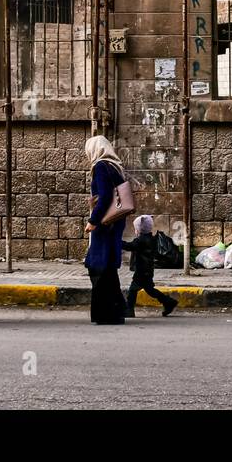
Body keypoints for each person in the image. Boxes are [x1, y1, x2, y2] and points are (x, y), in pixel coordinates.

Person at [84, 135, 128, 325]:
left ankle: (106, 313)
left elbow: (104, 197)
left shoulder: (101, 166)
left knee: (98, 266)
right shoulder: (115, 166)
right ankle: (116, 312)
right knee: (109, 268)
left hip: (104, 223)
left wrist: (93, 221)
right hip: (115, 222)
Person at [121, 215, 177, 318]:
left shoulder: (141, 240)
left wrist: (118, 242)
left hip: (142, 270)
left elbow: (129, 246)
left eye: (135, 228)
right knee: (150, 290)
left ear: (139, 229)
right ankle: (169, 302)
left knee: (133, 290)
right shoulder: (150, 238)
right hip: (147, 269)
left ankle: (129, 310)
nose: (135, 231)